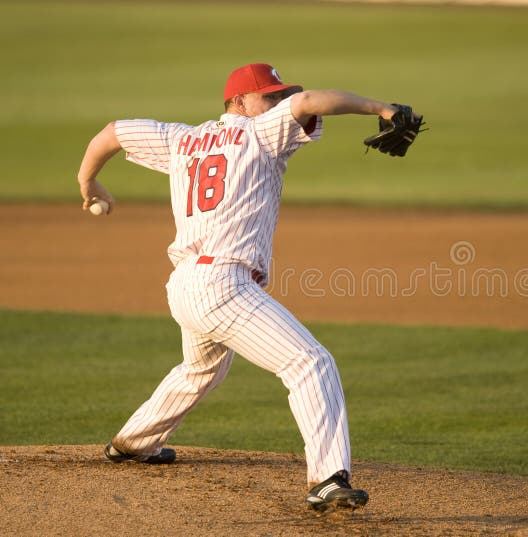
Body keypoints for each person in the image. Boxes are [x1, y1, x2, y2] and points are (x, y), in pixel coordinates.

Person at [77, 63, 414, 511]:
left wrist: (88, 182)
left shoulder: (182, 139)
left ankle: (134, 441)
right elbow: (309, 102)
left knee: (201, 369)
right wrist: (383, 108)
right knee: (310, 362)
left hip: (184, 285)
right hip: (223, 286)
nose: (278, 104)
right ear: (239, 102)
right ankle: (328, 479)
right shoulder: (260, 133)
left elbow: (112, 133)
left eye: (280, 97)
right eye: (269, 97)